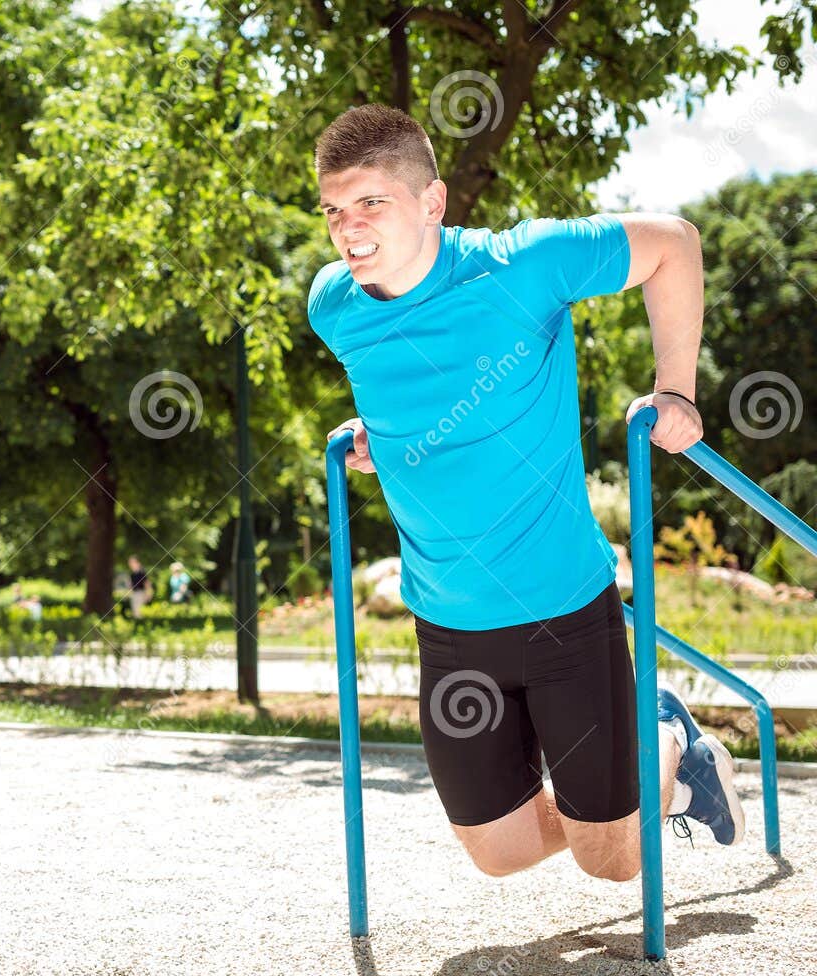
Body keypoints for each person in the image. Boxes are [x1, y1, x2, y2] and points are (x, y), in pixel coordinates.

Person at [307, 104, 740, 887]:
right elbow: (407, 378)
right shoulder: (332, 305)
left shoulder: (523, 265)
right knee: (499, 856)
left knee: (611, 863)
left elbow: (674, 243)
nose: (349, 227)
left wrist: (675, 389)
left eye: (372, 202)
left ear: (432, 203)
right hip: (448, 627)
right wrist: (384, 433)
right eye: (334, 209)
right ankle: (649, 776)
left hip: (565, 615)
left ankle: (670, 741)